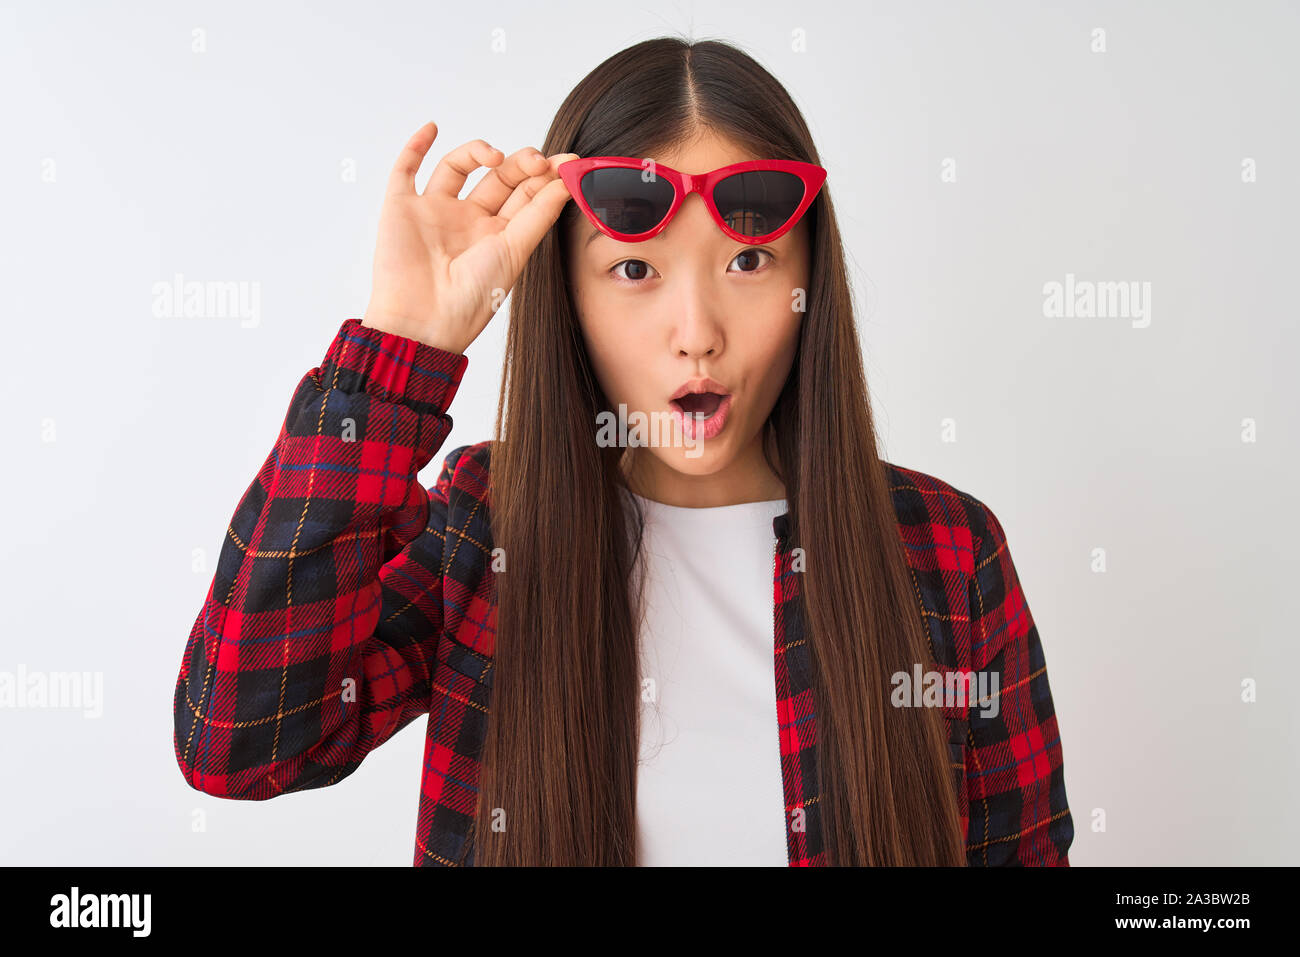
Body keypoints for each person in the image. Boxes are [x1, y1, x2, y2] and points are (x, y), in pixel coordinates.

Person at [172, 36, 1073, 866]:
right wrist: (403, 347)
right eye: (634, 270)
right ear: (568, 295)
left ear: (811, 280)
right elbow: (242, 742)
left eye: (748, 262)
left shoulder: (949, 551)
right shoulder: (483, 529)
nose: (697, 335)